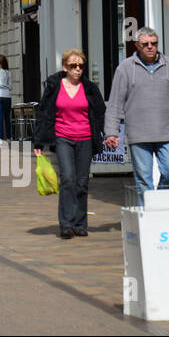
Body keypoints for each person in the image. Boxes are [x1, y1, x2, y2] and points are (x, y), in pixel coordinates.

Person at [104, 27, 169, 203]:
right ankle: (148, 218)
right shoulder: (125, 69)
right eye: (145, 44)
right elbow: (115, 103)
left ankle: (157, 204)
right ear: (137, 45)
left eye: (154, 43)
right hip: (139, 135)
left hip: (167, 133)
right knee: (144, 180)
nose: (150, 47)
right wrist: (111, 132)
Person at [33, 49, 106, 238]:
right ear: (65, 67)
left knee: (82, 182)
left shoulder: (89, 88)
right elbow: (43, 113)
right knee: (68, 178)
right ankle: (65, 223)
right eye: (73, 66)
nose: (78, 69)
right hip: (62, 137)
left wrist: (107, 134)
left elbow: (100, 112)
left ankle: (80, 223)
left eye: (81, 66)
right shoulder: (54, 86)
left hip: (85, 138)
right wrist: (38, 142)